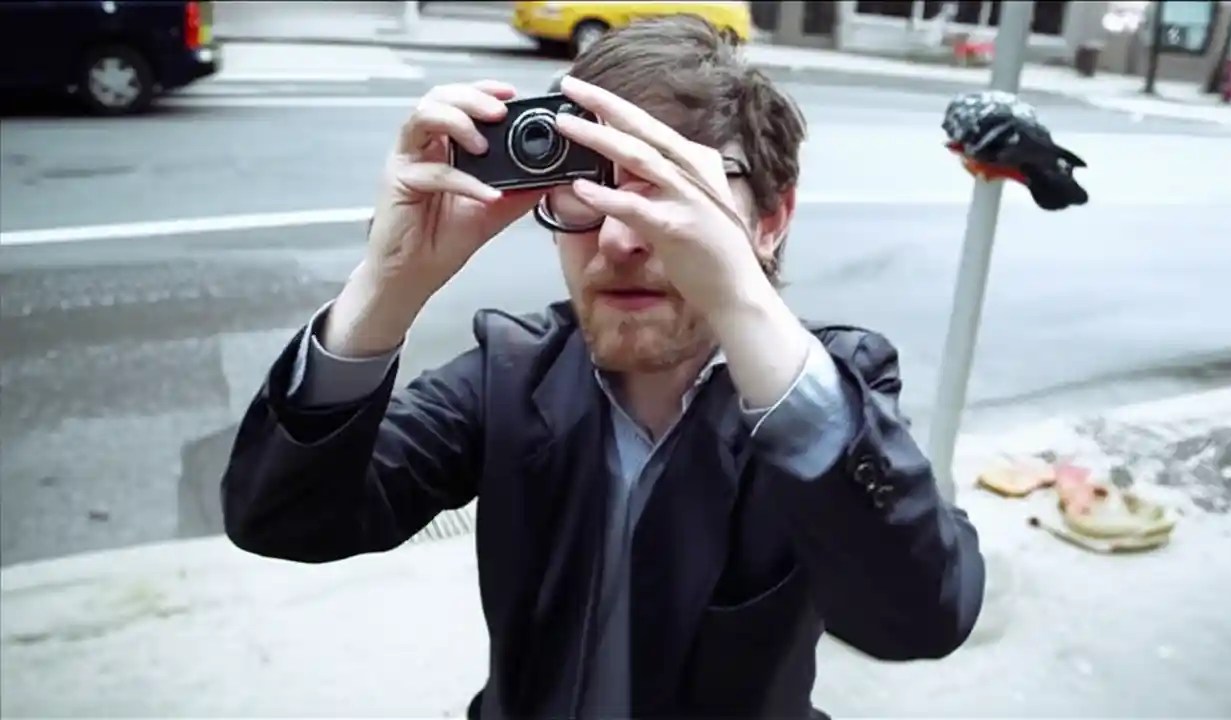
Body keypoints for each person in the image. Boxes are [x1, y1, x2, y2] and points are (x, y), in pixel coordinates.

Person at [221, 15, 985, 720]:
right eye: (586, 189)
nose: (621, 237)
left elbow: (921, 616)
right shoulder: (512, 375)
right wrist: (387, 287)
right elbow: (283, 520)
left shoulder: (823, 390)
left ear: (772, 218)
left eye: (672, 188)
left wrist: (744, 302)